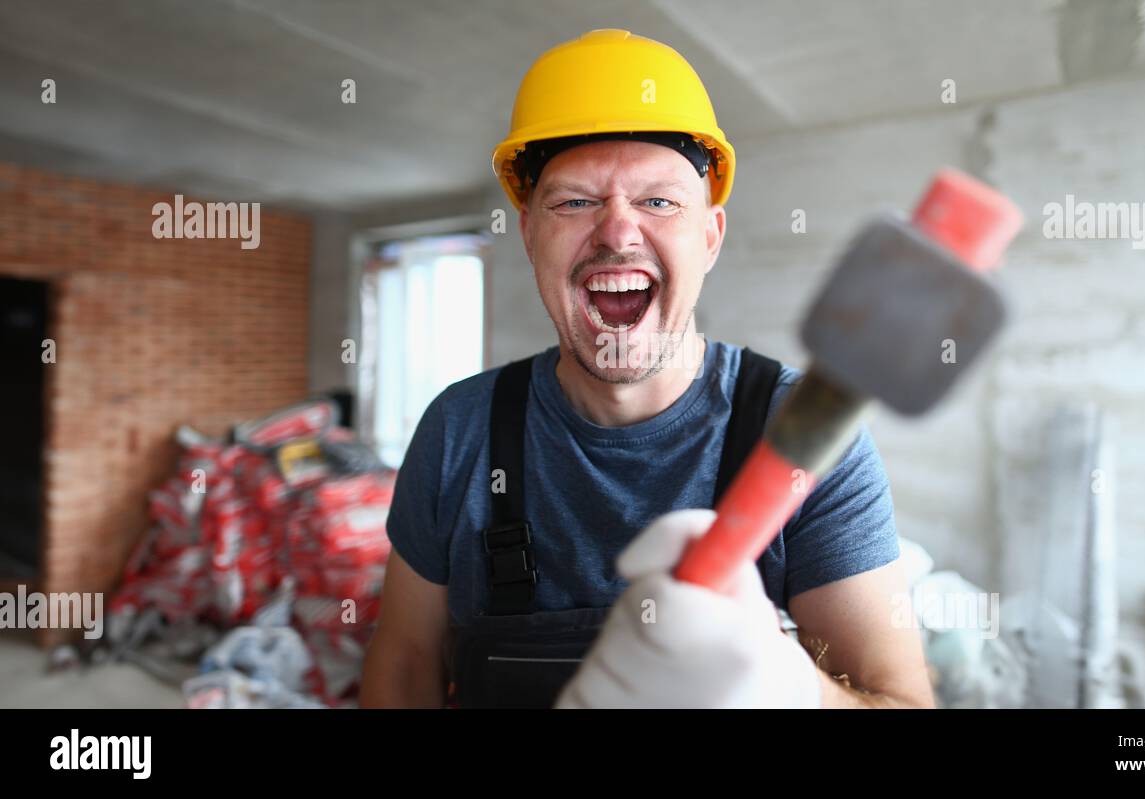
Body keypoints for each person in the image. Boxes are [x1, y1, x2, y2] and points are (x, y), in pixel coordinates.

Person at [360, 28, 933, 709]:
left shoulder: (806, 435)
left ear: (710, 237)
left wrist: (797, 690)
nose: (617, 232)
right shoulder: (460, 428)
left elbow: (899, 701)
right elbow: (404, 668)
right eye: (574, 201)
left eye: (659, 201)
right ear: (529, 234)